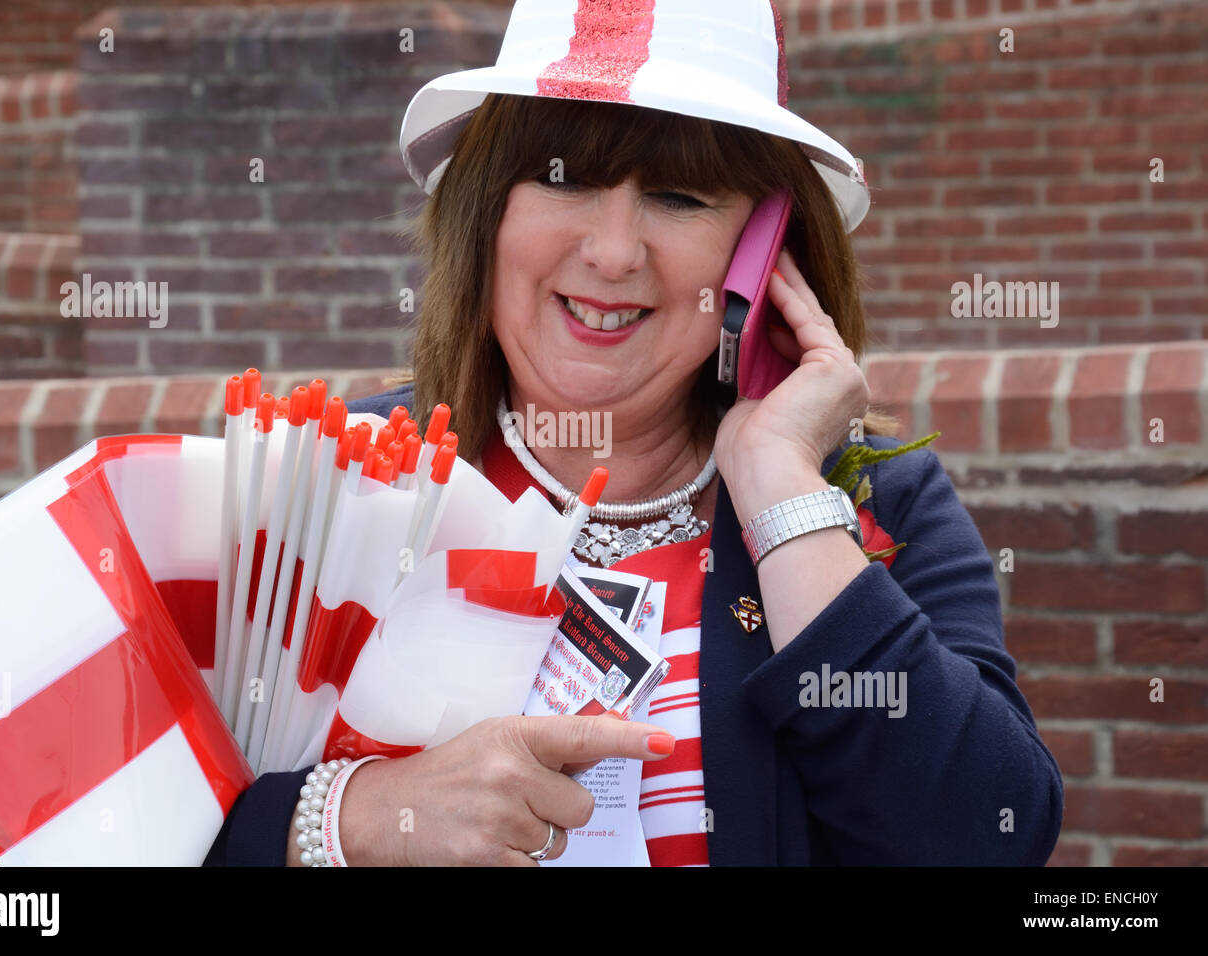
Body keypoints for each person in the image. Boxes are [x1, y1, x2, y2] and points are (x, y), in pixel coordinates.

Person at [205, 0, 1063, 867]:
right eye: (565, 177)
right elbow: (124, 827)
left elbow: (987, 835)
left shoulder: (865, 499)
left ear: (763, 255)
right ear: (484, 212)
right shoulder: (329, 475)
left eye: (679, 195)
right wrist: (352, 820)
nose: (614, 252)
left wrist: (783, 495)